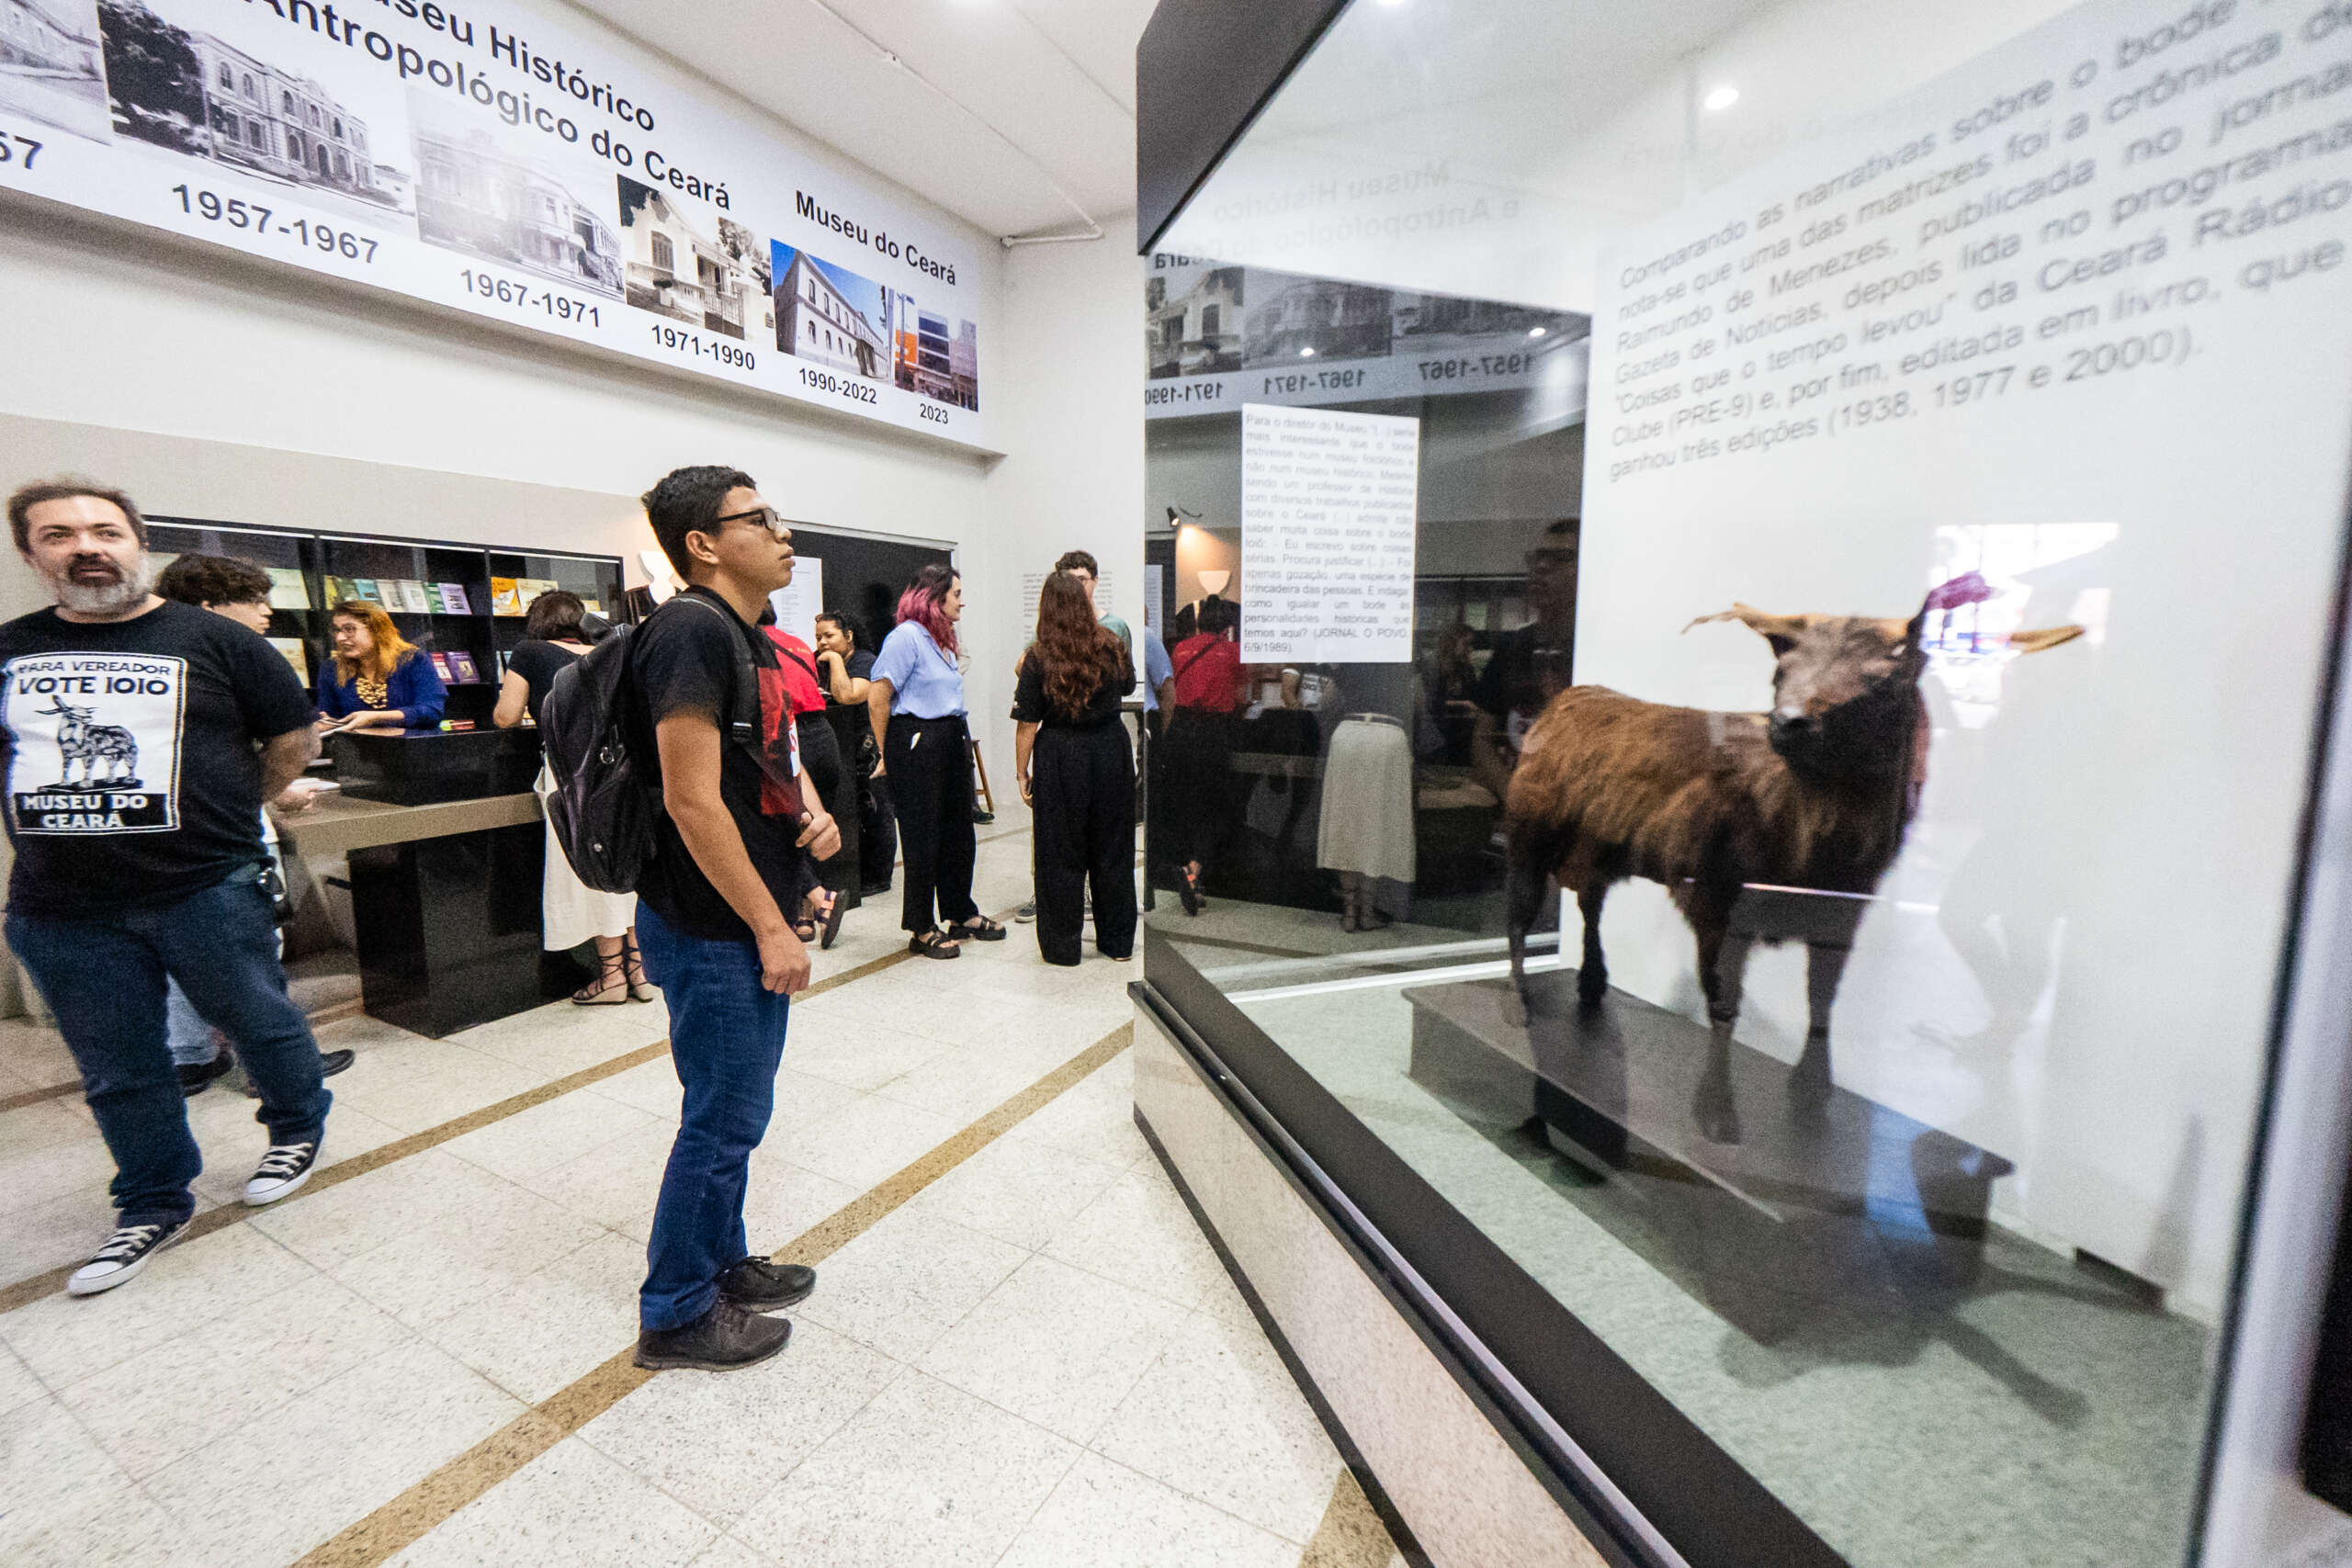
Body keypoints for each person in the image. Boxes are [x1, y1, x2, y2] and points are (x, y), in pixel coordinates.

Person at [0, 479, 336, 1296]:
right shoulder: (11, 648)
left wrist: (236, 800)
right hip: (62, 903)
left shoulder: (213, 640)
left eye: (104, 530)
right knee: (117, 1064)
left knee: (259, 1017)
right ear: (29, 552)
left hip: (204, 885)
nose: (86, 546)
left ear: (136, 542)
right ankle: (151, 1197)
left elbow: (292, 736)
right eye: (59, 534)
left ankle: (296, 1124)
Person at [624, 465, 839, 1372]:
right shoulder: (687, 633)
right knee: (720, 1119)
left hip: (739, 912)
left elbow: (762, 763)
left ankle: (722, 1263)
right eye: (760, 519)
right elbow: (691, 801)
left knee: (733, 1113)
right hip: (712, 926)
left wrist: (806, 820)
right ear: (704, 543)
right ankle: (674, 1309)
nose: (783, 533)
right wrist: (769, 926)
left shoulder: (741, 634)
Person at [153, 553, 356, 1092]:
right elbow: (292, 742)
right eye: (255, 600)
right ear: (207, 605)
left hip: (168, 839)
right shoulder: (233, 659)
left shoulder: (159, 661)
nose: (267, 612)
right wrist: (262, 798)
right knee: (252, 949)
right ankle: (275, 1066)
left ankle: (193, 1055)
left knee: (182, 951)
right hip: (227, 841)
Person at [493, 590, 651, 1005]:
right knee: (624, 865)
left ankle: (612, 977)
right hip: (619, 771)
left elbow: (506, 715)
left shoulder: (529, 652)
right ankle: (640, 972)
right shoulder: (607, 649)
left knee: (588, 874)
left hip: (569, 775)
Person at [868, 564, 1002, 958]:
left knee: (960, 831)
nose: (962, 600)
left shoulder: (941, 637)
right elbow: (879, 697)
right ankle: (921, 925)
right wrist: (885, 751)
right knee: (922, 836)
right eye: (956, 593)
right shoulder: (905, 637)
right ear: (935, 596)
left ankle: (961, 912)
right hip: (916, 741)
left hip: (950, 735)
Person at [1014, 573, 1137, 965]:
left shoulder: (1038, 657)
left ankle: (1063, 947)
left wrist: (1022, 772)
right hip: (1109, 749)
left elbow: (1027, 722)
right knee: (1113, 850)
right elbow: (1129, 686)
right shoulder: (1112, 645)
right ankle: (1117, 943)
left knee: (1059, 853)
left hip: (1059, 753)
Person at [1471, 518, 1577, 807]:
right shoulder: (1511, 648)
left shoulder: (1601, 651)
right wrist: (1514, 797)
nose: (1542, 567)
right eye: (1538, 557)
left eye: (1563, 558)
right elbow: (1482, 738)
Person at [761, 609, 849, 950]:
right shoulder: (797, 645)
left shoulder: (756, 645)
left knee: (790, 828)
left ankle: (808, 912)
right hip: (824, 735)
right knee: (815, 827)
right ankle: (809, 914)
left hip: (791, 735)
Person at [1161, 594, 1247, 915]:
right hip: (1212, 733)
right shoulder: (1233, 652)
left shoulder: (1180, 649)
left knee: (1187, 806)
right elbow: (1241, 695)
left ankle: (1192, 878)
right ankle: (1193, 870)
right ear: (1227, 626)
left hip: (1181, 731)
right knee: (1217, 810)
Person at [814, 611, 892, 898]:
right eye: (818, 637)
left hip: (869, 746)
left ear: (849, 636)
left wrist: (835, 660)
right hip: (842, 748)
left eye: (829, 636)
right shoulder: (818, 660)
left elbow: (848, 695)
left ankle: (880, 876)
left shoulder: (864, 661)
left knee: (876, 809)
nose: (822, 643)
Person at [316, 599, 446, 732]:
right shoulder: (332, 668)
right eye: (337, 630)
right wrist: (325, 723)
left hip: (414, 747)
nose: (340, 638)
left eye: (349, 629)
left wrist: (376, 717)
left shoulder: (414, 660)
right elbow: (329, 715)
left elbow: (432, 711)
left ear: (377, 630)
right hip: (358, 748)